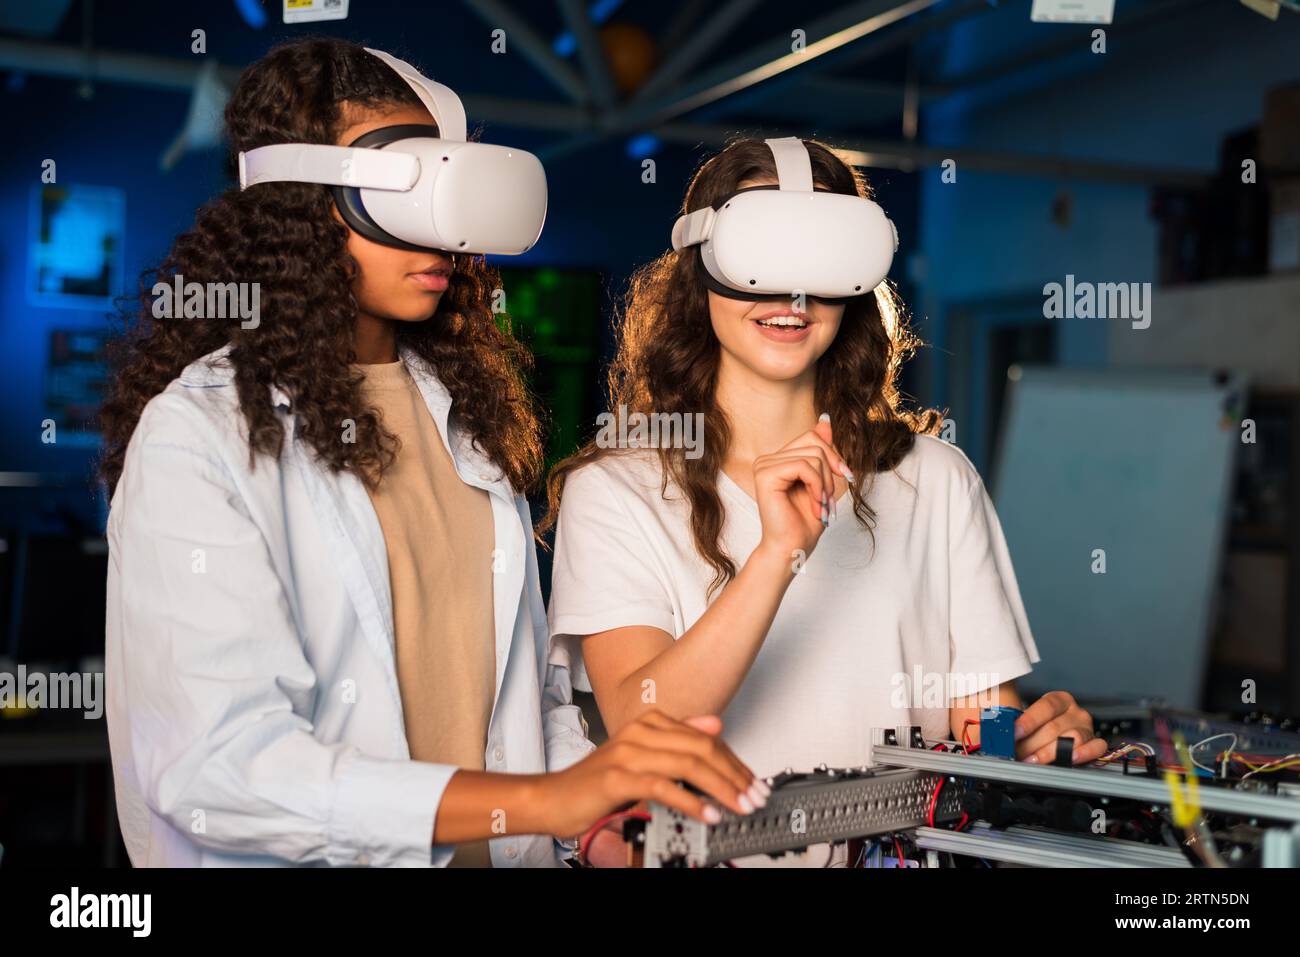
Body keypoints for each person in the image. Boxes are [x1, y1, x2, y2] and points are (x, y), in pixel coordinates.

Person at [100, 38, 759, 869]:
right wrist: (549, 799)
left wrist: (603, 829)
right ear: (296, 203)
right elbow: (219, 767)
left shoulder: (468, 426)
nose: (436, 234)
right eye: (395, 193)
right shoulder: (199, 437)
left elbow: (525, 710)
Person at [545, 137, 1104, 866]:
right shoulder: (615, 491)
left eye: (822, 262)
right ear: (700, 273)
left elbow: (982, 726)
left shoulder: (934, 479)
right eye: (760, 260)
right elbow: (643, 724)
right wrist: (777, 553)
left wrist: (1028, 743)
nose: (793, 296)